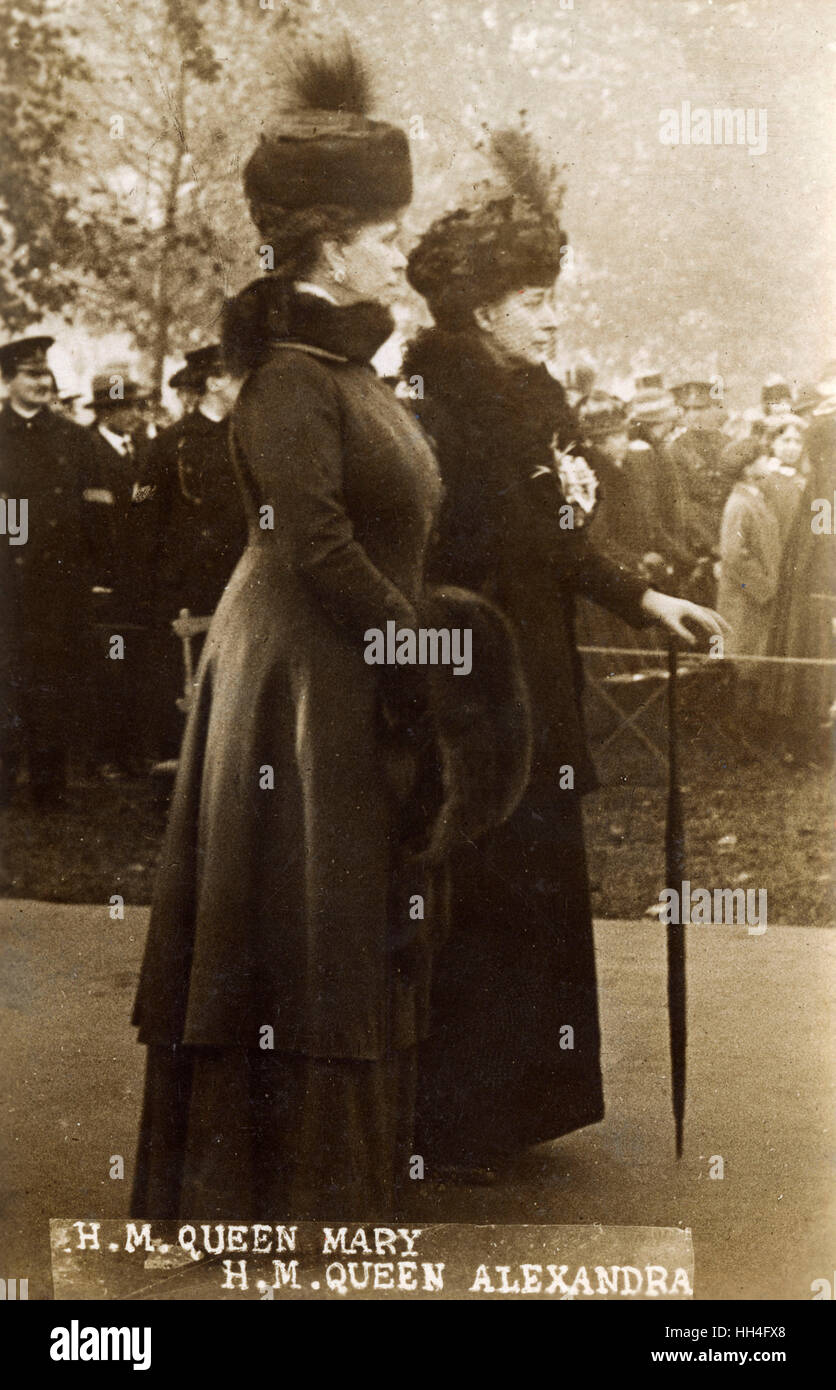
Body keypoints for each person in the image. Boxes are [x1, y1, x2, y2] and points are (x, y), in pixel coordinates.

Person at [130, 46, 524, 1221]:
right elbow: (314, 546)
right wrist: (416, 659)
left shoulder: (342, 371)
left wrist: (418, 649)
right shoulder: (288, 382)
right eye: (380, 231)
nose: (395, 250)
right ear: (330, 243)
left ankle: (326, 1179)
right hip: (298, 677)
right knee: (304, 918)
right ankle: (264, 1187)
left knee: (342, 915)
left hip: (345, 660)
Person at [403, 124, 728, 1172]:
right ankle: (452, 1121)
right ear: (479, 307)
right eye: (535, 298)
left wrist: (642, 600)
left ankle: (522, 1106)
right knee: (480, 888)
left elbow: (558, 541)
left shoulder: (530, 393)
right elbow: (462, 554)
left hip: (533, 672)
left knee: (534, 879)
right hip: (464, 681)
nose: (551, 313)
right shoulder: (435, 398)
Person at [131, 345, 247, 760]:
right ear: (214, 382)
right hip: (186, 588)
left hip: (241, 580)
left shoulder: (252, 437)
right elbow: (142, 512)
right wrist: (156, 583)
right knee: (184, 692)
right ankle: (175, 794)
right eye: (239, 376)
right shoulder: (170, 444)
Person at [0, 336, 96, 807]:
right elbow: (7, 506)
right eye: (30, 374)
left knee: (52, 679)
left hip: (59, 581)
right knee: (6, 676)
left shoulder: (73, 438)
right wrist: (19, 549)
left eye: (45, 374)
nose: (42, 382)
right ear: (7, 381)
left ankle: (48, 784)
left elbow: (91, 508)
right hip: (7, 580)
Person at [717, 417, 807, 729]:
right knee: (745, 667)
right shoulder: (740, 504)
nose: (765, 461)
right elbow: (734, 556)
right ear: (747, 469)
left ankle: (753, 735)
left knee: (755, 666)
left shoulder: (755, 498)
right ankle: (741, 741)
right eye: (759, 459)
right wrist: (765, 588)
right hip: (746, 601)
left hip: (758, 599)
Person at [761, 408, 836, 761]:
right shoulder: (824, 483)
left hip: (814, 584)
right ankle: (810, 742)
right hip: (817, 589)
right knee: (815, 662)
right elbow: (820, 537)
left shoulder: (821, 479)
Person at [667, 379, 736, 602]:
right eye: (687, 409)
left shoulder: (730, 444)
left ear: (716, 409)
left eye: (701, 408)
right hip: (699, 547)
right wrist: (714, 547)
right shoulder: (675, 450)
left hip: (732, 535)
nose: (693, 415)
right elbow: (683, 506)